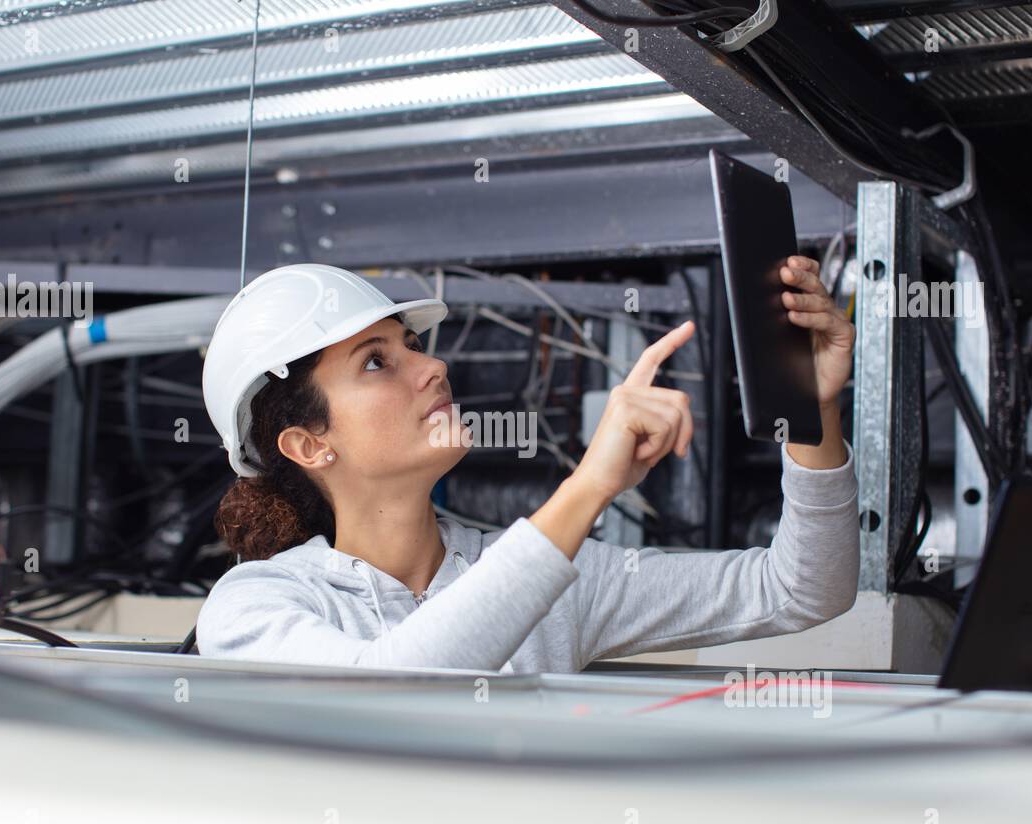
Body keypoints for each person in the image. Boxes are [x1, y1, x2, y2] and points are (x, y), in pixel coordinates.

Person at [197, 260, 858, 673]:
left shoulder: (563, 584)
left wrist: (811, 408)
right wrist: (589, 486)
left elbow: (801, 590)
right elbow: (394, 687)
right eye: (376, 362)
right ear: (309, 445)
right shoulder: (256, 605)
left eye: (413, 346)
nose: (434, 367)